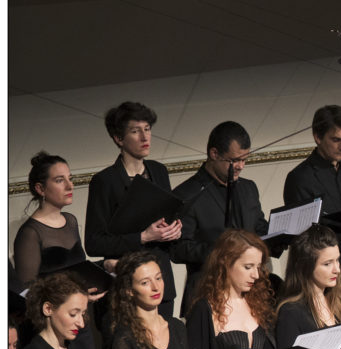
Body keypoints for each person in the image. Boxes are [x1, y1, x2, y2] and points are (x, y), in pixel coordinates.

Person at [84, 101, 179, 320]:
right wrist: (143, 237)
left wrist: (174, 231)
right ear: (119, 138)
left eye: (147, 129)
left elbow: (167, 218)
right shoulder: (104, 181)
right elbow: (94, 242)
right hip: (128, 288)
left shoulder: (159, 171)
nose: (145, 137)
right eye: (135, 131)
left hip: (161, 284)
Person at [171, 121, 267, 313]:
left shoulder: (248, 188)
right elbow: (178, 249)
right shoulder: (186, 194)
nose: (240, 166)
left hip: (252, 293)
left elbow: (259, 228)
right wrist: (221, 252)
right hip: (208, 294)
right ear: (214, 154)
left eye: (244, 160)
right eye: (234, 161)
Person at [283, 105, 341, 280]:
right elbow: (305, 239)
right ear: (318, 137)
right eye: (336, 140)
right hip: (324, 274)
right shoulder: (300, 178)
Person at [12, 151, 93, 287]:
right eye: (59, 180)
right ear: (40, 189)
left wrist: (105, 264)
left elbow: (77, 268)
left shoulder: (70, 220)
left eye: (70, 179)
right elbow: (27, 291)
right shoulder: (30, 233)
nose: (70, 186)